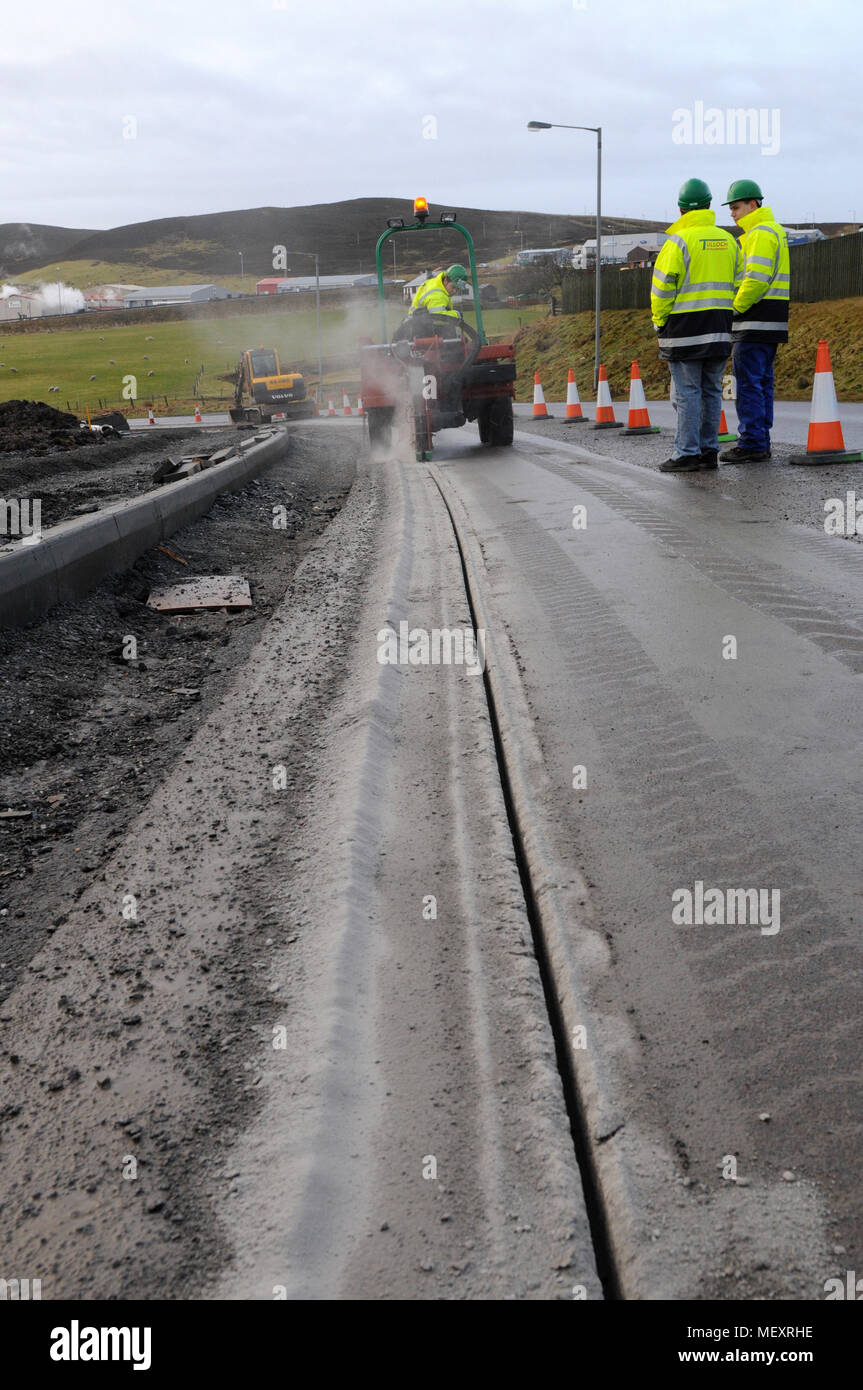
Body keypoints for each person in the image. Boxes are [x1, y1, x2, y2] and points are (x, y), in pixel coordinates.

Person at [651, 178, 742, 472]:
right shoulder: (728, 240)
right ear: (708, 205)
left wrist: (659, 322)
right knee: (712, 391)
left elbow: (662, 289)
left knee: (688, 392)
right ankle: (707, 452)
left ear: (680, 210)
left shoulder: (678, 242)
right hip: (719, 328)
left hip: (684, 330)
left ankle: (686, 453)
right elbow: (739, 282)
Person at [719, 181, 789, 463]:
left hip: (754, 321)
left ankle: (752, 444)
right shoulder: (774, 231)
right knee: (762, 383)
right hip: (772, 320)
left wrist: (734, 308)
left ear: (753, 204)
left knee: (747, 384)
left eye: (736, 207)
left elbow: (756, 279)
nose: (732, 214)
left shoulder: (759, 234)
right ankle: (760, 441)